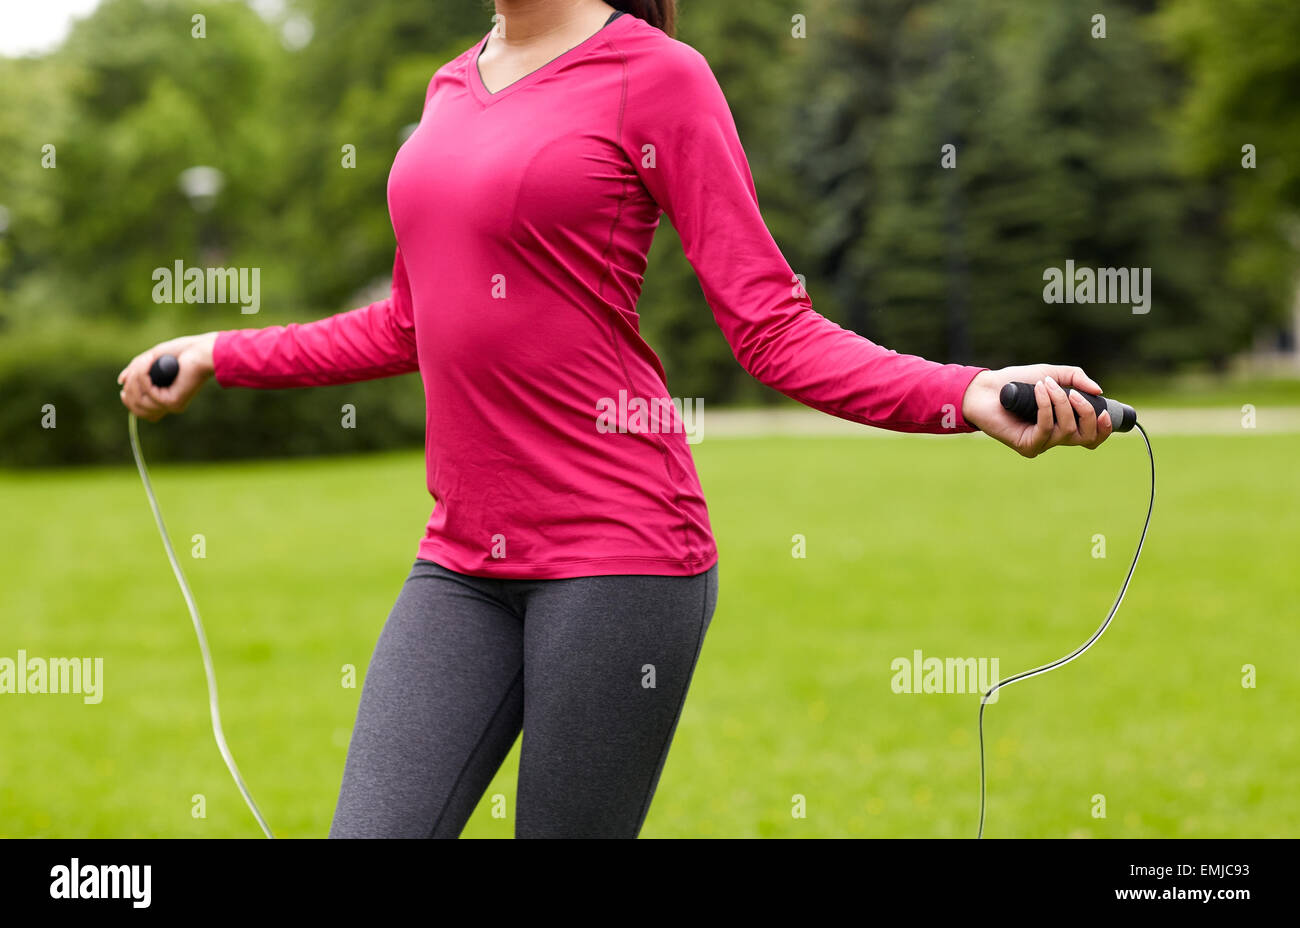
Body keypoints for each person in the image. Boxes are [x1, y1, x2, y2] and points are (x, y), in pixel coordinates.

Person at [117, 0, 1112, 838]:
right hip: (459, 561)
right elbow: (407, 326)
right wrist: (218, 352)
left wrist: (965, 392)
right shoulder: (449, 86)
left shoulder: (659, 76)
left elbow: (773, 328)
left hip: (620, 557)